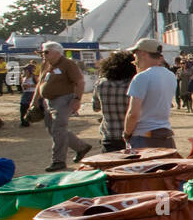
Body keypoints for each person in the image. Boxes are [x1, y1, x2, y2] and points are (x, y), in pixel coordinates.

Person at [35, 41, 91, 171]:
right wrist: (34, 103)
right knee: (52, 129)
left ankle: (58, 160)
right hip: (49, 101)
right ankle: (81, 147)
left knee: (58, 129)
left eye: (46, 52)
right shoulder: (46, 65)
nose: (43, 54)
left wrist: (77, 99)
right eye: (43, 52)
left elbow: (79, 81)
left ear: (57, 52)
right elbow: (40, 85)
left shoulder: (68, 64)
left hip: (63, 99)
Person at [122, 38, 177, 150]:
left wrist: (126, 134)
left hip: (144, 137)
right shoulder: (170, 75)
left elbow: (133, 113)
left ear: (143, 53)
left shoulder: (141, 77)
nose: (135, 58)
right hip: (165, 134)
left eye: (135, 54)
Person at [92, 50, 135, 152]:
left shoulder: (101, 84)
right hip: (132, 135)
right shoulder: (134, 84)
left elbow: (96, 108)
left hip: (109, 135)